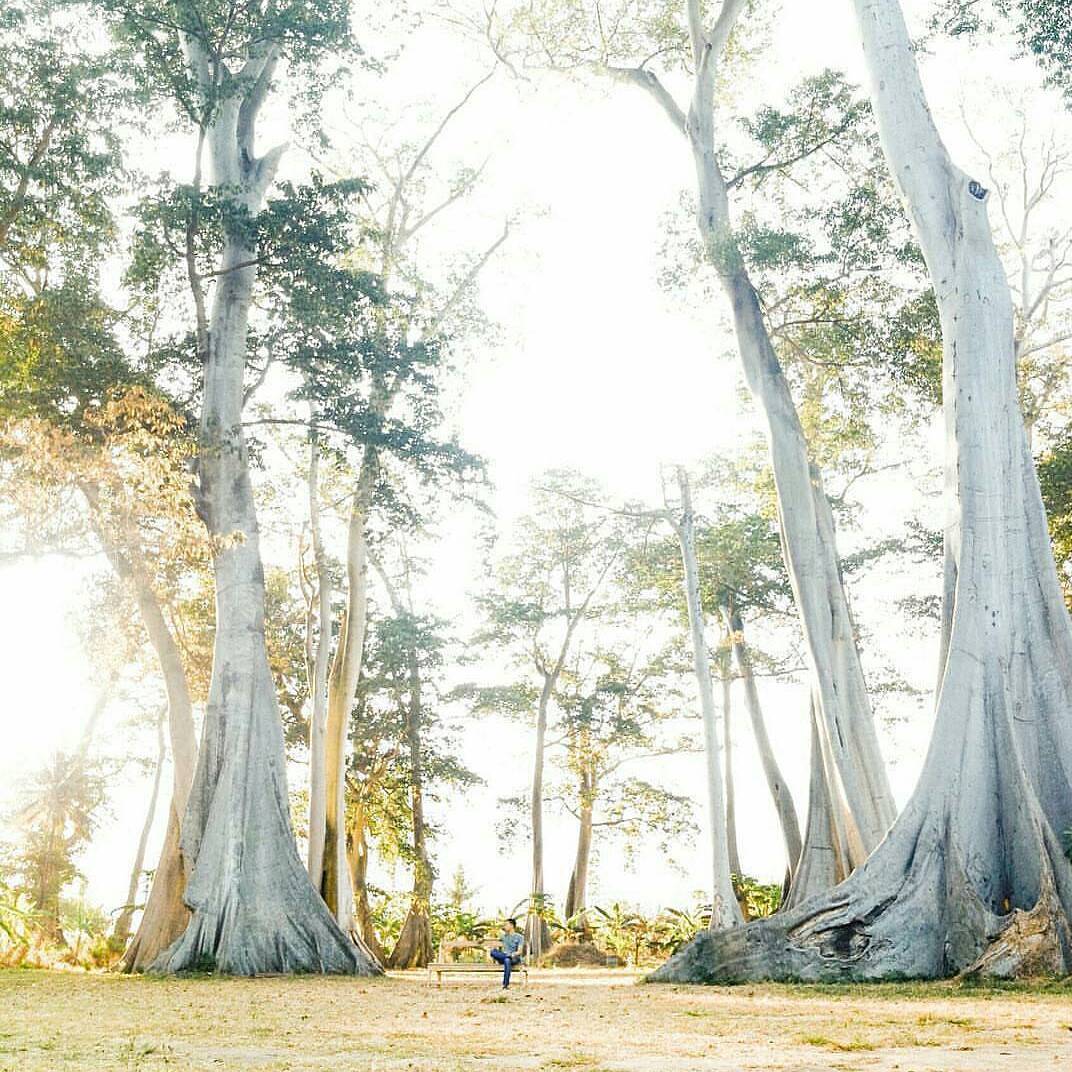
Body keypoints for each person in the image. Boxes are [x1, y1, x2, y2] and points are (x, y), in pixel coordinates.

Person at [489, 917, 524, 988]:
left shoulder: (519, 937)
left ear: (511, 925)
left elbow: (519, 951)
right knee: (493, 952)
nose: (504, 926)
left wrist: (512, 954)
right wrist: (482, 939)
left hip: (514, 958)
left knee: (507, 960)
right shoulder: (504, 936)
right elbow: (493, 940)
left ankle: (505, 985)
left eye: (506, 924)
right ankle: (507, 956)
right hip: (504, 956)